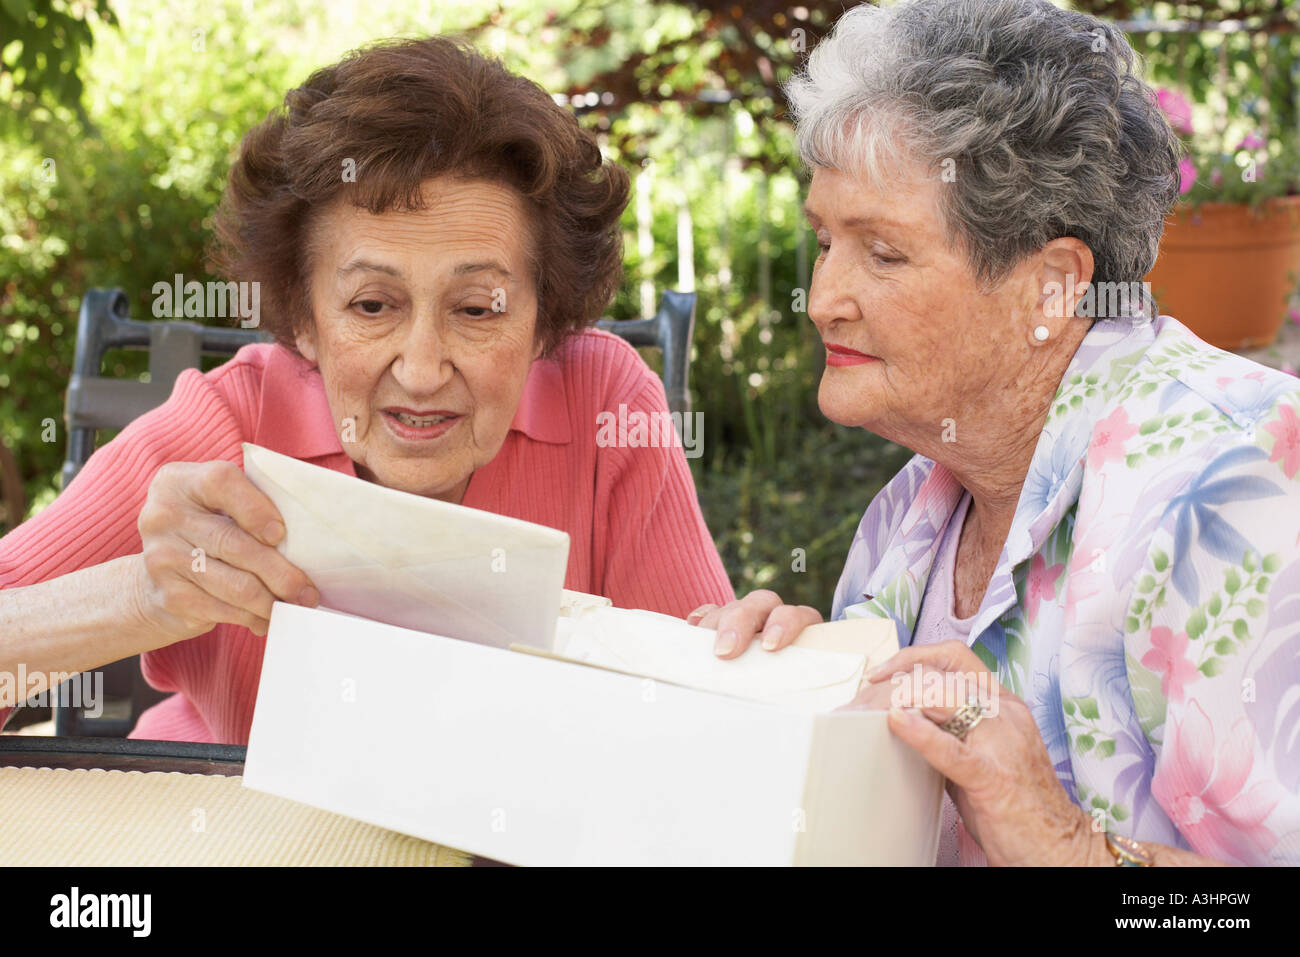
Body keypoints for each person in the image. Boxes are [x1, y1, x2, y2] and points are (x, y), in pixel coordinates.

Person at [692, 0, 1300, 866]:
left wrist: (1071, 848)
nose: (824, 295)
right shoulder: (916, 507)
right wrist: (786, 700)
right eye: (824, 241)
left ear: (1054, 286)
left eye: (884, 253)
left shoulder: (1235, 481)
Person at [0, 36, 734, 745]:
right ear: (303, 319)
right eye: (372, 306)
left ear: (548, 320)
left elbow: (717, 716)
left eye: (477, 309)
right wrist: (137, 595)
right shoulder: (230, 422)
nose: (421, 369)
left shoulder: (604, 402)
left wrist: (766, 660)